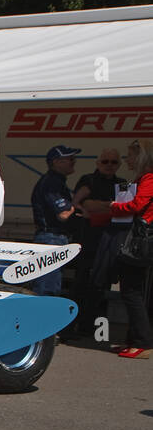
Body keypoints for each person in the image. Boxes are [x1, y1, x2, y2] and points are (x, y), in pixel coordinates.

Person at [69, 148, 126, 340]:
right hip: (88, 241)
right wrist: (110, 205)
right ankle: (71, 329)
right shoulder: (88, 180)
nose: (109, 165)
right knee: (81, 284)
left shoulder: (122, 183)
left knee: (102, 287)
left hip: (110, 242)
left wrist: (98, 205)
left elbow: (124, 210)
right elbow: (82, 203)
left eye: (114, 162)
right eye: (105, 162)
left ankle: (96, 331)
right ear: (98, 163)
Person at [106, 139, 153, 357]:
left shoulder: (149, 178)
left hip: (139, 242)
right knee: (133, 292)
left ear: (142, 157)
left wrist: (115, 207)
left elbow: (137, 205)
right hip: (138, 241)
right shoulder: (141, 178)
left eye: (130, 155)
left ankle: (142, 343)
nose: (127, 160)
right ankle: (134, 340)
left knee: (131, 292)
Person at [29, 145, 81, 296]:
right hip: (51, 240)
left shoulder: (56, 181)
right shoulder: (52, 182)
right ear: (56, 162)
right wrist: (78, 205)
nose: (74, 161)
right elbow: (63, 214)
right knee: (47, 289)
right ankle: (41, 318)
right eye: (70, 159)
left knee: (49, 286)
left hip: (53, 238)